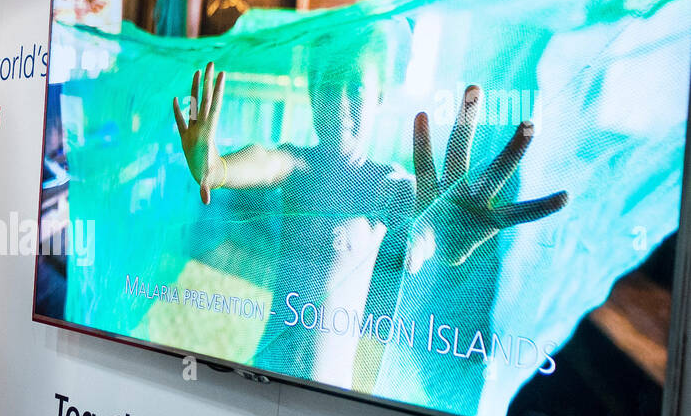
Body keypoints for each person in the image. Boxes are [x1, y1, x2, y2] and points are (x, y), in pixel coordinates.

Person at [173, 48, 568, 392]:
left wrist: (437, 233)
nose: (341, 104)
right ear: (312, 95)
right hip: (262, 370)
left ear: (379, 96)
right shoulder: (298, 165)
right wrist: (217, 167)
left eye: (357, 89)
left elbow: (421, 219)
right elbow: (264, 160)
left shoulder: (385, 183)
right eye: (328, 88)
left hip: (325, 393)